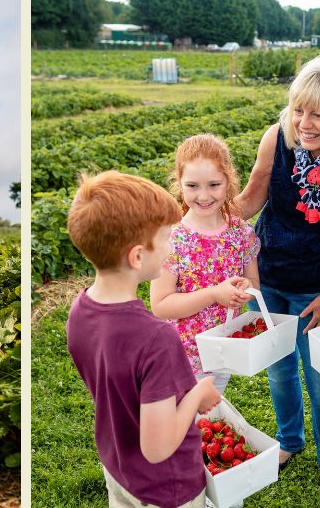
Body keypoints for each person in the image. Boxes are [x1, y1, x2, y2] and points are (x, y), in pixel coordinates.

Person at [236, 54, 320, 508]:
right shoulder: (276, 138)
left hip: (316, 286)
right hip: (266, 279)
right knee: (279, 372)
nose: (304, 123)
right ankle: (290, 440)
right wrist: (204, 211)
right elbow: (251, 200)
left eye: (317, 113)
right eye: (298, 110)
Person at [66, 170, 222, 508]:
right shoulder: (157, 339)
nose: (171, 246)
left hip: (119, 468)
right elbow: (158, 447)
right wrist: (198, 394)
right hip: (167, 487)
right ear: (137, 257)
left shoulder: (80, 310)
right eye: (165, 238)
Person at [150, 134, 260, 395]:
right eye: (192, 186)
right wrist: (213, 294)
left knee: (210, 411)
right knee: (184, 416)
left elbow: (254, 282)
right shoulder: (173, 239)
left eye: (214, 184)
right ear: (179, 184)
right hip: (181, 356)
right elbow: (160, 306)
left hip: (222, 351)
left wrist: (245, 289)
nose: (204, 195)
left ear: (228, 182)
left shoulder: (240, 233)